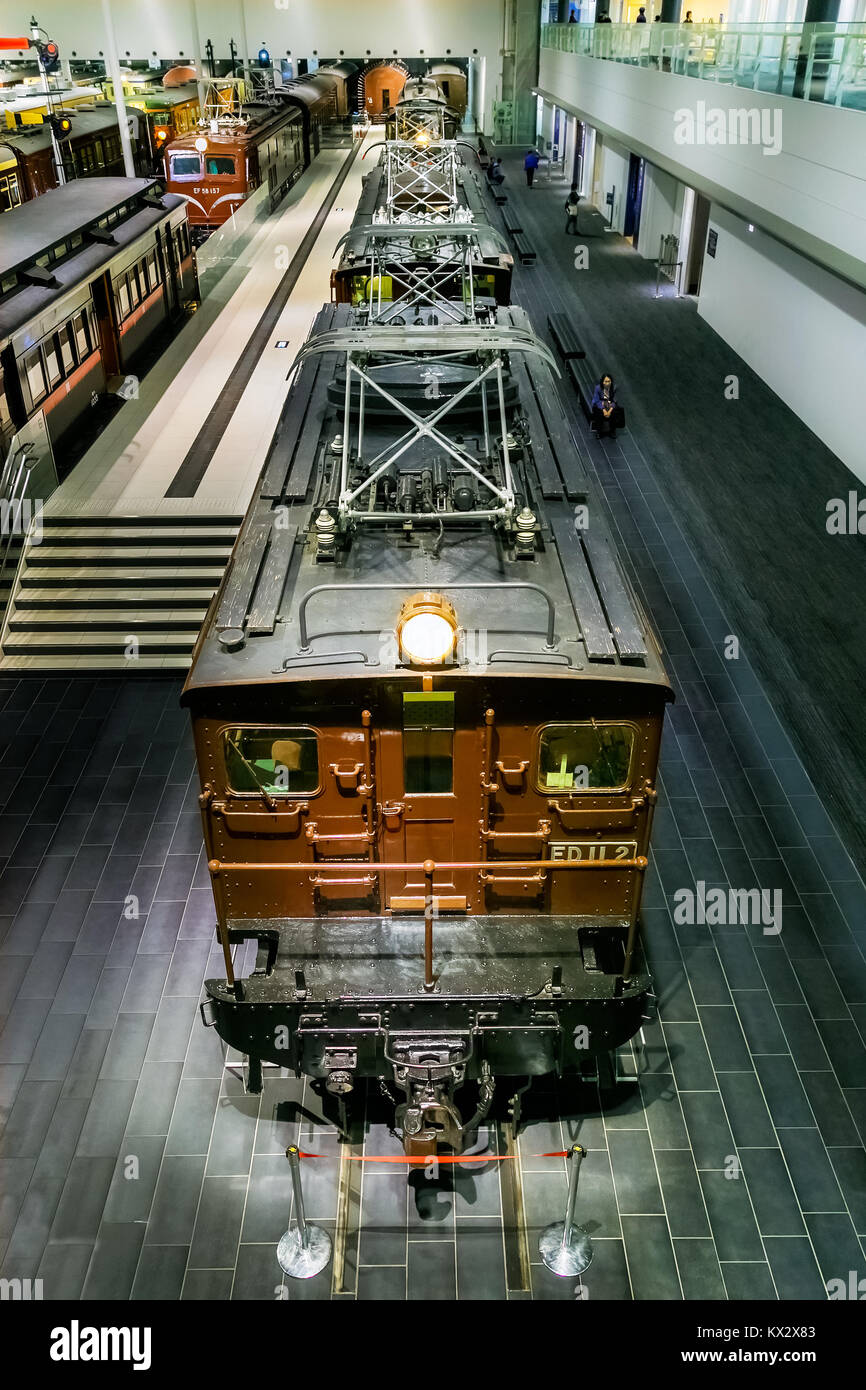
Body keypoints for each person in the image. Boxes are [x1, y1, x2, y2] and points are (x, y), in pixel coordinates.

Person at [590, 373, 621, 439]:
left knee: (615, 412)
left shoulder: (614, 388)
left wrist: (609, 411)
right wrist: (604, 410)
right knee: (599, 413)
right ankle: (599, 431)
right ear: (602, 382)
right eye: (606, 381)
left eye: (609, 381)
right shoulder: (598, 388)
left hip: (610, 404)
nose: (607, 383)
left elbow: (614, 401)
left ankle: (612, 431)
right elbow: (596, 400)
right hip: (600, 404)